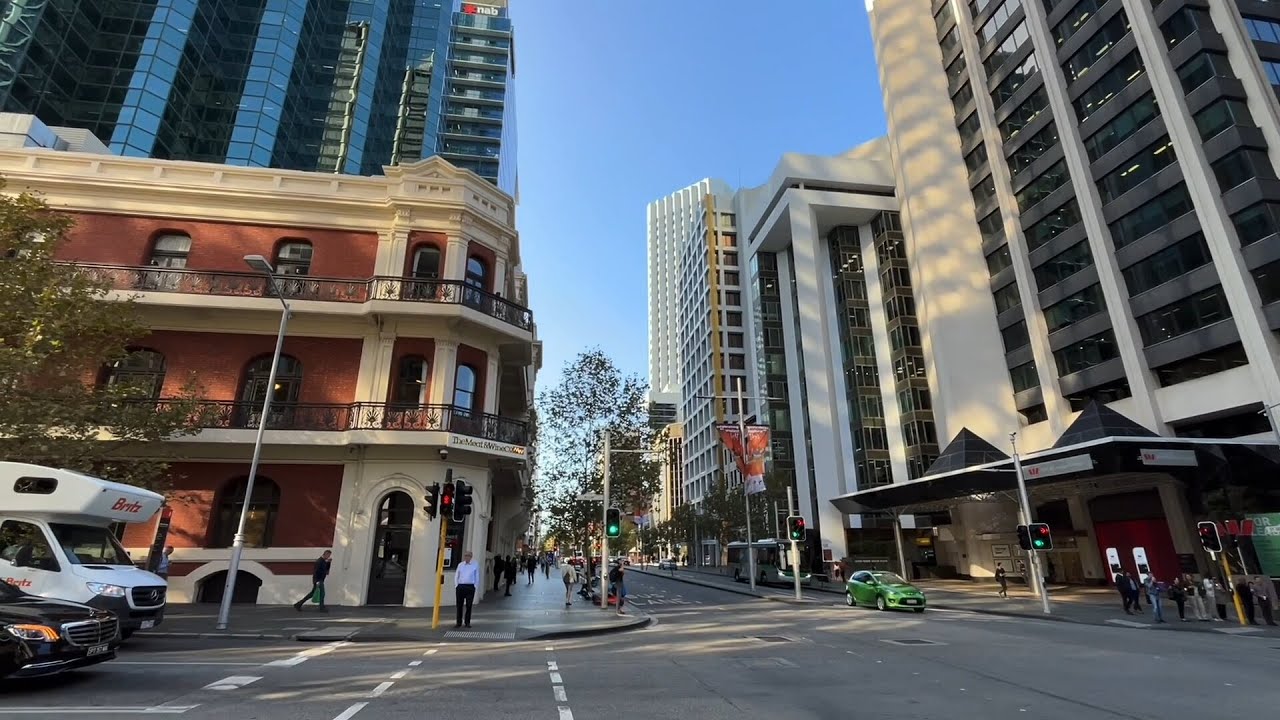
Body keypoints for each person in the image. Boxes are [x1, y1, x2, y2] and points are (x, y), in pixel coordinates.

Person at [454, 550, 479, 628]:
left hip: (470, 587)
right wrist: (456, 585)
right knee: (459, 605)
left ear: (471, 557)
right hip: (460, 586)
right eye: (465, 555)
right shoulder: (460, 565)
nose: (466, 557)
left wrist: (475, 586)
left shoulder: (475, 565)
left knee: (469, 605)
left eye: (468, 555)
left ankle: (467, 622)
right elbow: (456, 575)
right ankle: (459, 622)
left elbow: (477, 576)